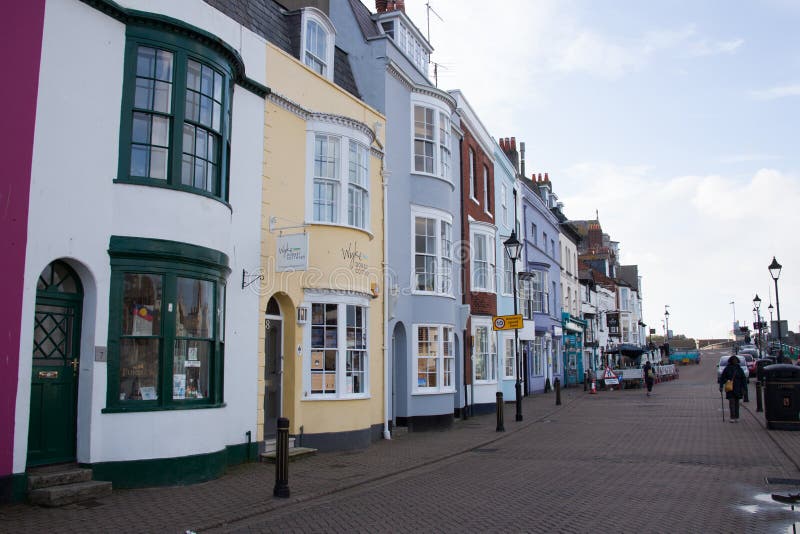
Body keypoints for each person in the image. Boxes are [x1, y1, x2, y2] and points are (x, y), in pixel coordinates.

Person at [718, 355, 747, 423]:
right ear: (731, 361)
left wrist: (744, 388)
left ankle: (737, 416)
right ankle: (732, 416)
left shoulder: (739, 369)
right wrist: (721, 386)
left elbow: (743, 379)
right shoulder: (727, 369)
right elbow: (722, 378)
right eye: (733, 360)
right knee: (731, 402)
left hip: (738, 388)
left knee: (737, 403)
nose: (734, 361)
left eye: (735, 360)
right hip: (730, 388)